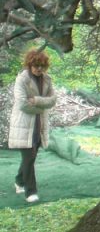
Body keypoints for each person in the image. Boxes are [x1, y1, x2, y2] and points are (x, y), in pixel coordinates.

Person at [8, 49, 57, 203]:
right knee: (29, 157)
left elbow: (53, 100)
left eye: (42, 66)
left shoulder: (47, 79)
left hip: (39, 124)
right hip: (24, 125)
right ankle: (31, 192)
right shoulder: (21, 79)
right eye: (36, 65)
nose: (39, 69)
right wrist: (43, 106)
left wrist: (36, 101)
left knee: (31, 157)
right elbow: (22, 104)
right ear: (29, 64)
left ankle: (19, 181)